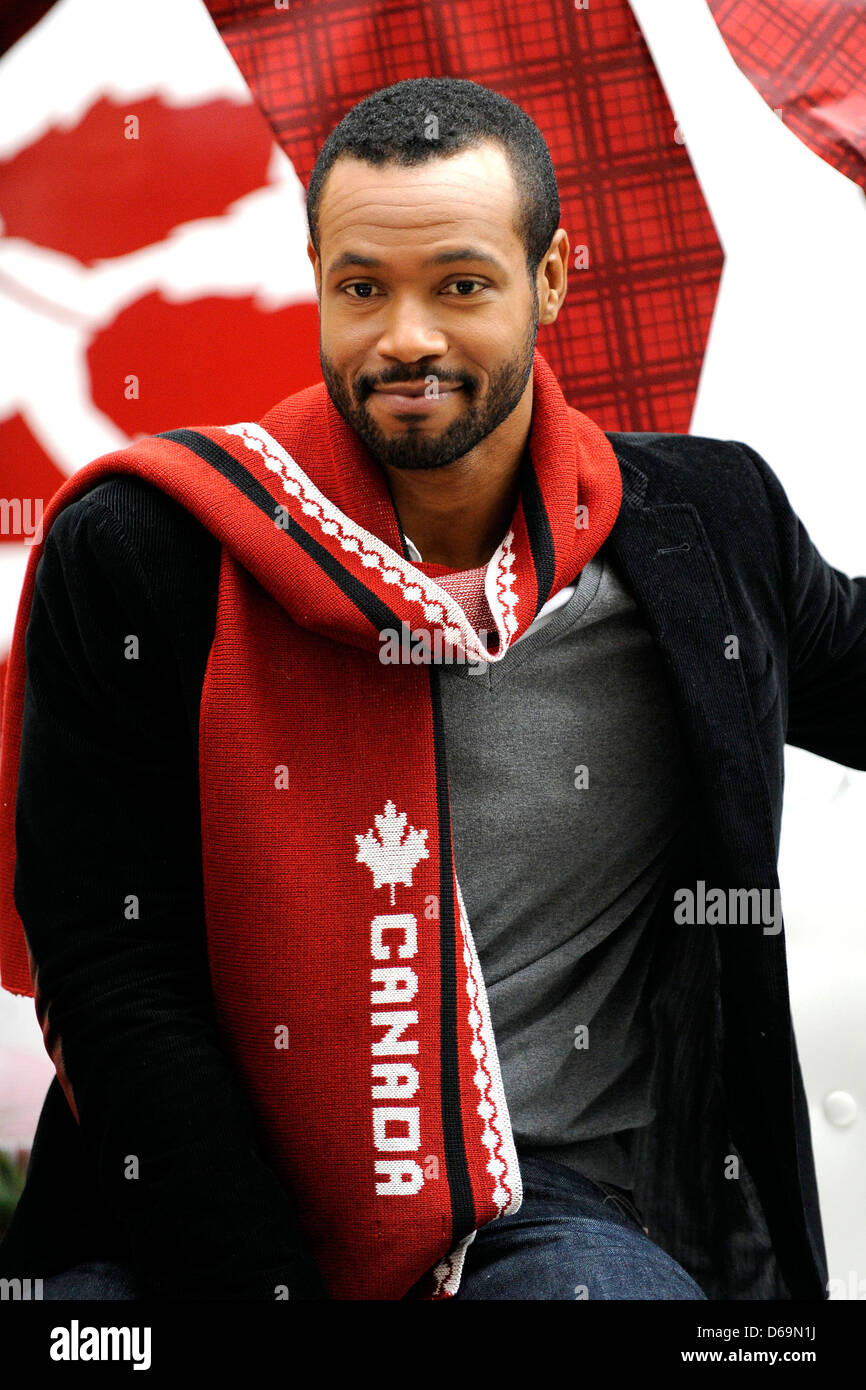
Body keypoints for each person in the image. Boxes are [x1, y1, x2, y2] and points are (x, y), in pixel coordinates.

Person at [0, 76, 862, 1302]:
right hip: (207, 1199)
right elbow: (109, 971)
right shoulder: (154, 549)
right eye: (363, 288)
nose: (406, 338)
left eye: (459, 285)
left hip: (549, 1205)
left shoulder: (698, 532)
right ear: (315, 276)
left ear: (550, 280)